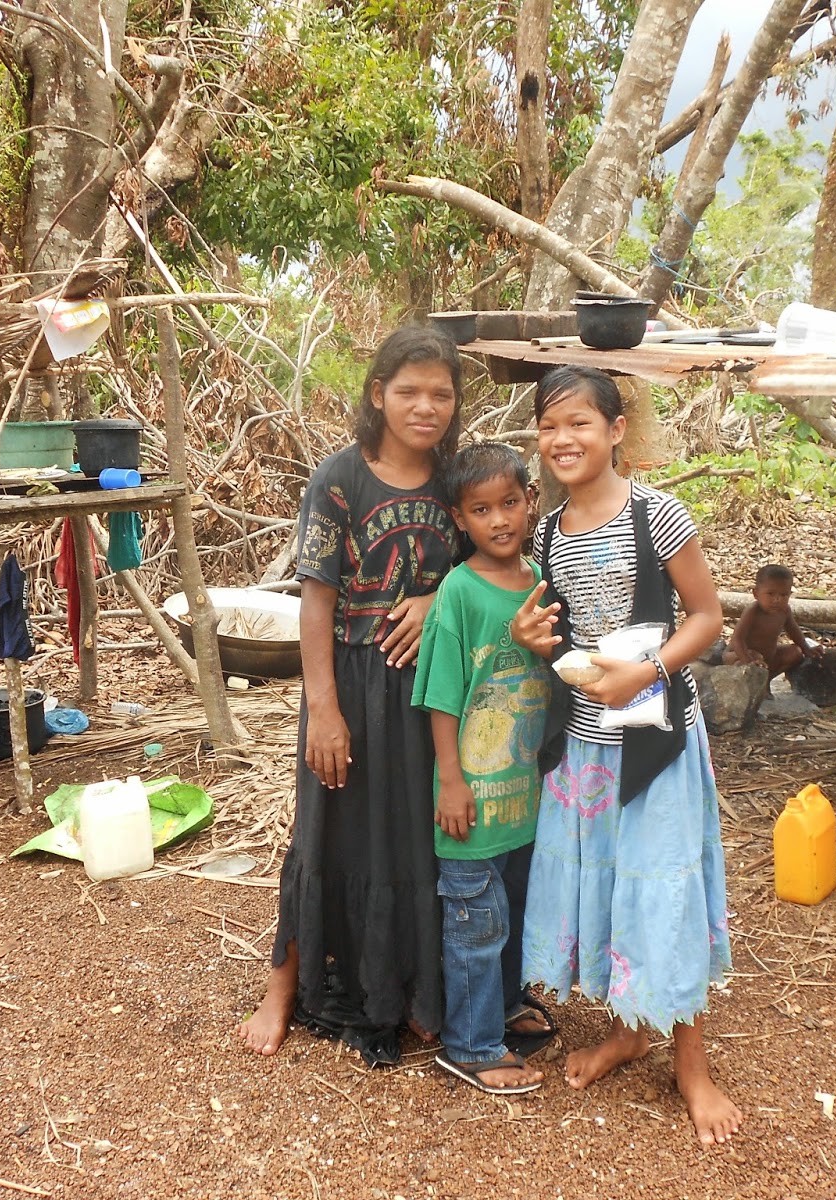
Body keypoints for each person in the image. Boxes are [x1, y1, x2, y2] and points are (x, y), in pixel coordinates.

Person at [510, 364, 741, 1146]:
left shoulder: (658, 516)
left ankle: (693, 1065)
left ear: (615, 431)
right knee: (612, 892)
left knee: (664, 894)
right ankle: (627, 1029)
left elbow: (707, 618)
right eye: (549, 425)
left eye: (579, 423)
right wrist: (533, 638)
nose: (562, 439)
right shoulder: (546, 532)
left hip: (655, 740)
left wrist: (650, 670)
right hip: (584, 744)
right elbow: (556, 631)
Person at [238, 326, 464, 1067]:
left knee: (411, 840)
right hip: (351, 684)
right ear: (378, 395)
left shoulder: (455, 481)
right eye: (408, 391)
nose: (424, 407)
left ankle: (414, 991)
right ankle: (283, 987)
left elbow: (488, 562)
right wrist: (324, 709)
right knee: (324, 830)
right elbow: (315, 603)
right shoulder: (340, 479)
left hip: (429, 692)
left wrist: (435, 600)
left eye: (440, 393)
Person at [411, 443, 556, 1095]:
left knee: (513, 911)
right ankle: (470, 1044)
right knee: (475, 923)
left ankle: (501, 1006)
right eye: (481, 509)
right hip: (469, 797)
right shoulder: (459, 594)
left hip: (520, 797)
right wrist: (449, 779)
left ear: (530, 502)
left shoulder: (537, 581)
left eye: (510, 503)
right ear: (458, 518)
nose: (500, 520)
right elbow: (442, 694)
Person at [723, 563, 823, 679]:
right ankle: (754, 684)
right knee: (755, 657)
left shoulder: (784, 611)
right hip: (739, 655)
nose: (777, 600)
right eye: (770, 594)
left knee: (795, 652)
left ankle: (767, 679)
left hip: (768, 657)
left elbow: (793, 631)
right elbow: (737, 639)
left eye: (784, 595)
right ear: (756, 593)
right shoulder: (753, 611)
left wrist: (807, 649)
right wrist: (748, 661)